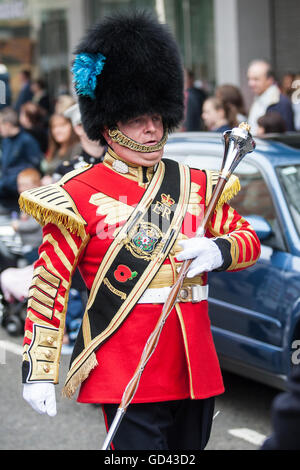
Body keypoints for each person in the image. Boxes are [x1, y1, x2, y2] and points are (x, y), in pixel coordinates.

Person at [20, 11, 260, 451]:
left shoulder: (197, 184)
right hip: (127, 367)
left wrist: (217, 251)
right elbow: (50, 285)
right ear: (109, 124)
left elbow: (248, 240)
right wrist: (38, 368)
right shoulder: (78, 195)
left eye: (157, 116)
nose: (152, 128)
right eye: (137, 119)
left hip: (193, 366)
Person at [0, 107, 42, 213]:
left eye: (0, 124)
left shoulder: (27, 141)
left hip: (19, 193)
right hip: (6, 194)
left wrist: (7, 182)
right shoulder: (5, 141)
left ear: (8, 124)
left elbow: (34, 167)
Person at [52, 103, 106, 181]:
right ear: (78, 129)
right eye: (91, 124)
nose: (99, 128)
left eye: (101, 122)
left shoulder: (118, 163)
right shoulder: (65, 171)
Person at [247, 59, 294, 134]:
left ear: (270, 80)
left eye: (256, 79)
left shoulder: (280, 102)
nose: (251, 83)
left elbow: (286, 136)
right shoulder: (259, 98)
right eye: (249, 79)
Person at [40, 113, 81, 178]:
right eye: (54, 127)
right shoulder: (55, 149)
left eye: (62, 125)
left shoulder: (78, 147)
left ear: (72, 126)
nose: (57, 130)